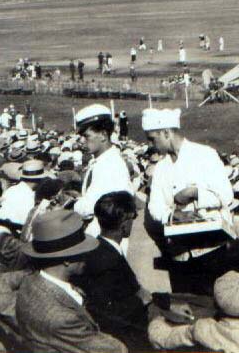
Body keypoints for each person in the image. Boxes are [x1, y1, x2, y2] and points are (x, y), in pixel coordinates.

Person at [144, 107, 237, 295]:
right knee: (185, 304)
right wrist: (173, 215)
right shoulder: (161, 167)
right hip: (179, 252)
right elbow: (155, 206)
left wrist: (195, 193)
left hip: (211, 248)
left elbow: (226, 195)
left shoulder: (204, 155)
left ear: (166, 133)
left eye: (153, 139)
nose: (151, 145)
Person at [15, 209, 127, 353]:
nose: (88, 254)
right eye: (82, 250)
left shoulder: (28, 284)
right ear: (67, 259)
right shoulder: (62, 319)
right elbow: (114, 350)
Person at [75, 191, 148, 350]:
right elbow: (107, 313)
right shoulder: (109, 260)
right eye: (133, 218)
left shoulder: (99, 247)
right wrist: (142, 300)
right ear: (124, 224)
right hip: (123, 339)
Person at [73, 105, 134, 230]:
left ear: (103, 135)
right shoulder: (100, 160)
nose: (82, 141)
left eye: (87, 136)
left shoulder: (110, 165)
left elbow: (90, 207)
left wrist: (72, 203)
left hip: (105, 235)